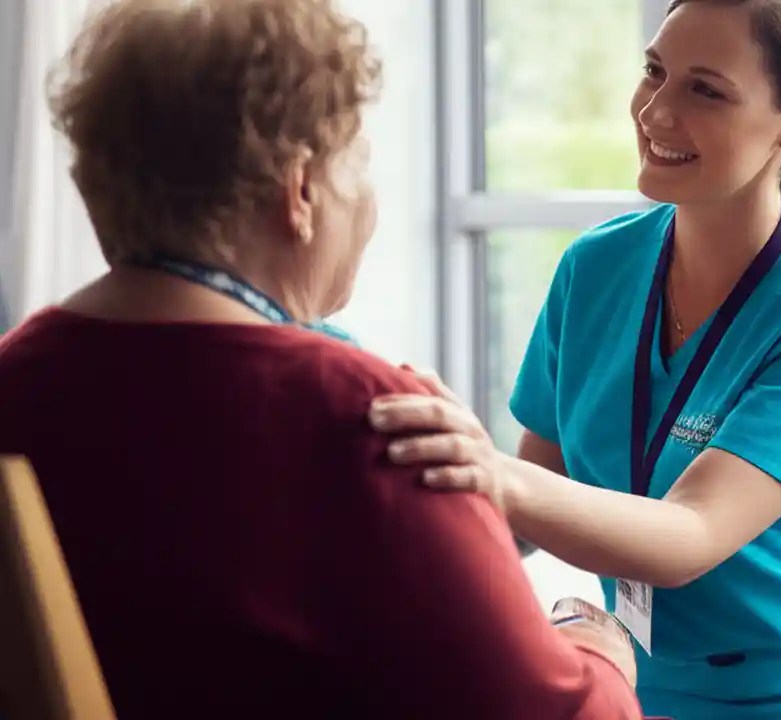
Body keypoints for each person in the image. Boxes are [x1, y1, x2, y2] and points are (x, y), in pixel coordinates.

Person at [0, 1, 642, 717]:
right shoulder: (367, 419)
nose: (368, 203)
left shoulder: (15, 379)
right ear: (301, 191)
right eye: (360, 166)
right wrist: (599, 651)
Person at [369, 0, 781, 718]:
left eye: (704, 90)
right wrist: (390, 521)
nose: (654, 113)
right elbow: (531, 504)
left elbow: (691, 533)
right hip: (635, 685)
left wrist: (489, 471)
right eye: (654, 72)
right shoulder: (595, 267)